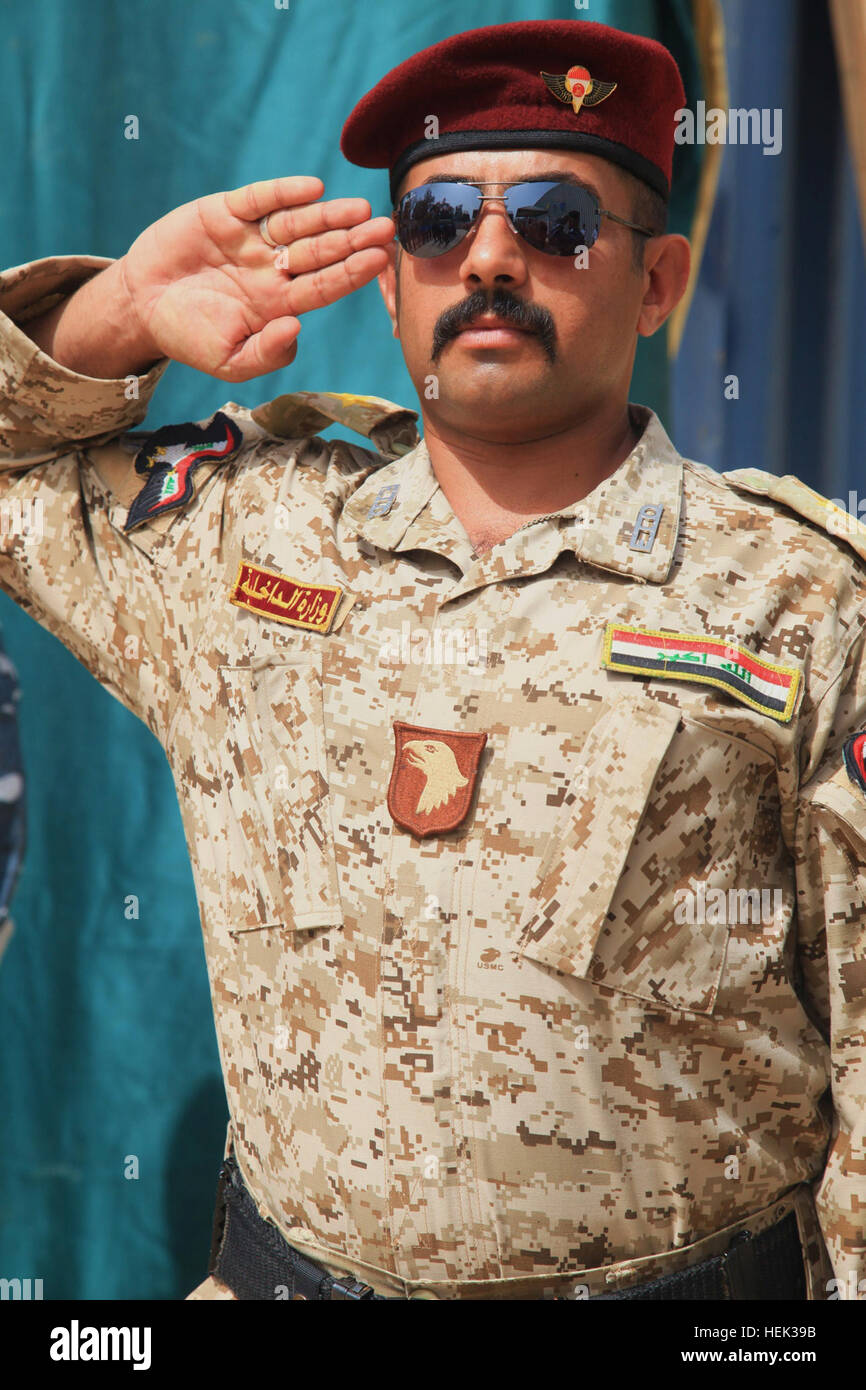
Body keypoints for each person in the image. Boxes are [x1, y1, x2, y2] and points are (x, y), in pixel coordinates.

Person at [1, 17, 864, 1301]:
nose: (492, 256)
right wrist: (114, 311)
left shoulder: (794, 598)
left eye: (560, 220)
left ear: (656, 281)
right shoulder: (241, 535)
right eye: (438, 218)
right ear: (395, 279)